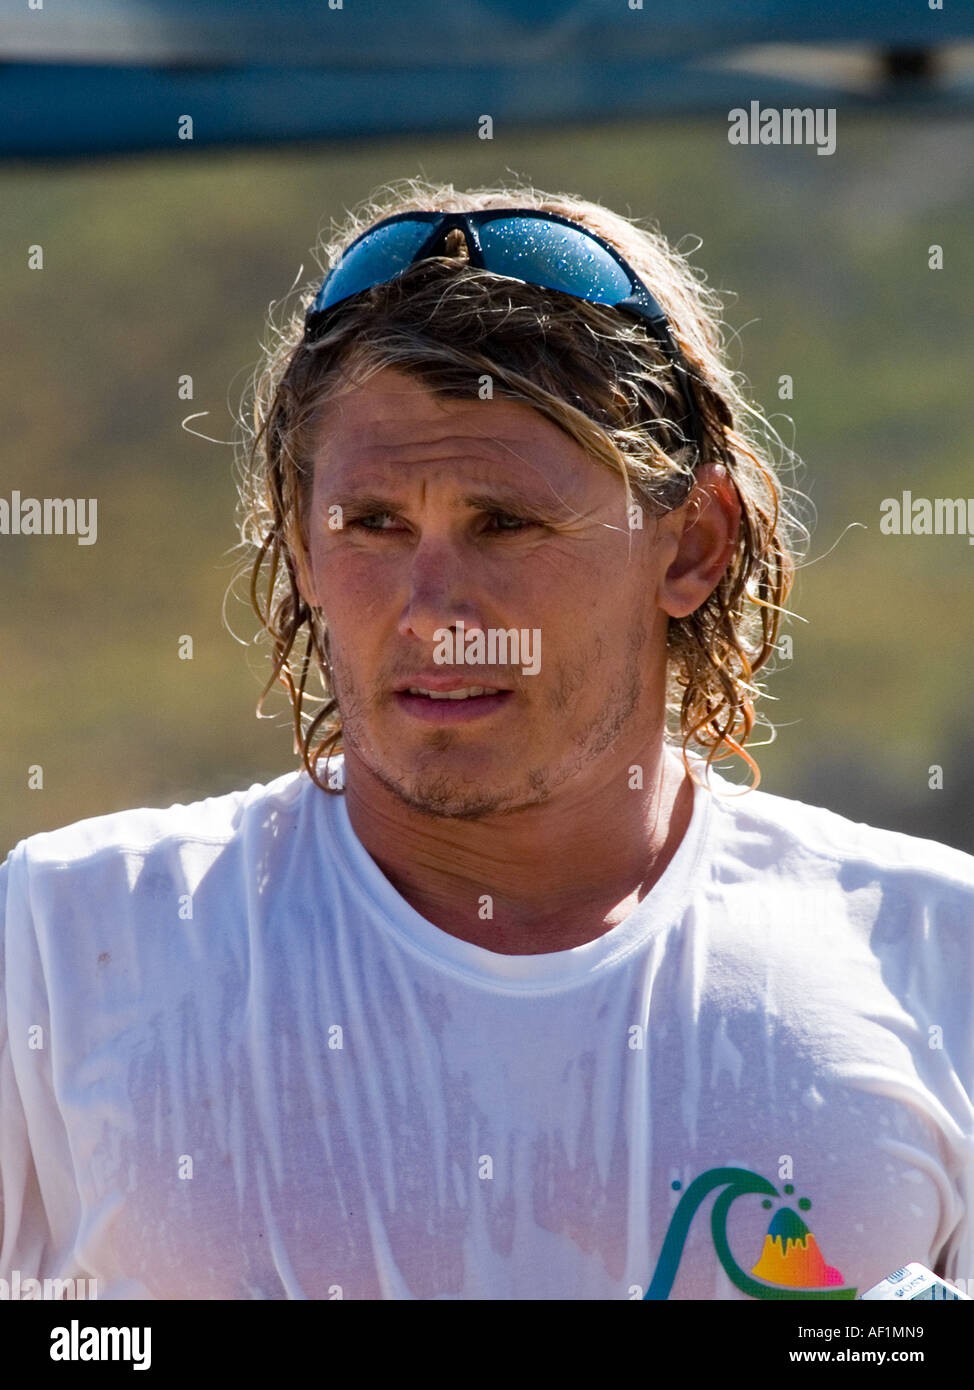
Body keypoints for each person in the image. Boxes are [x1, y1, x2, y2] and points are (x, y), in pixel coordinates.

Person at [1, 180, 971, 1302]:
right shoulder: (65, 946)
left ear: (692, 544)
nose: (430, 607)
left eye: (502, 522)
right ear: (302, 549)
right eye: (371, 524)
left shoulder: (934, 957)